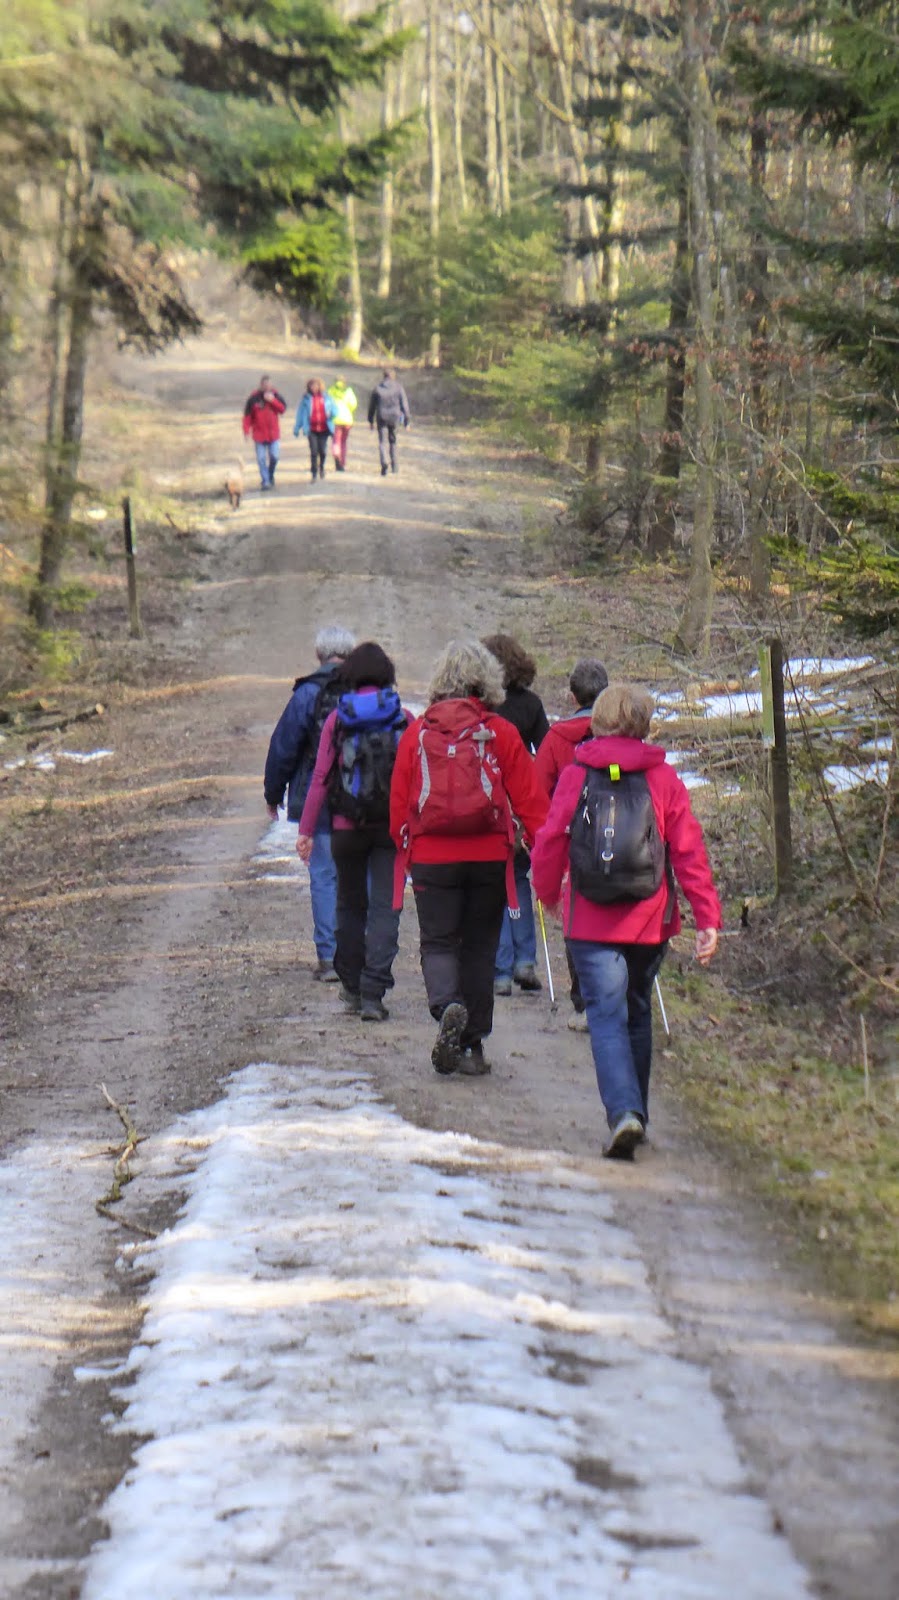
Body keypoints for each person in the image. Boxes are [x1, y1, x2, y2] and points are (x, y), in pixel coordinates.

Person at [531, 683, 721, 1160]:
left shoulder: (578, 774)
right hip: (648, 922)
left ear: (598, 720)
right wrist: (706, 918)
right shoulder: (664, 780)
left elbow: (552, 837)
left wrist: (548, 891)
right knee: (635, 1010)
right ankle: (636, 1111)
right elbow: (689, 851)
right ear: (643, 723)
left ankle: (624, 1113)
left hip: (590, 921)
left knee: (606, 1018)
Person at [390, 640, 548, 1077]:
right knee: (479, 948)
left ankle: (447, 1009)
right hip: (488, 856)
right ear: (487, 680)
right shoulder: (499, 731)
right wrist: (543, 849)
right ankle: (474, 1045)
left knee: (439, 941)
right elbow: (531, 801)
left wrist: (406, 852)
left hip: (432, 856)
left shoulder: (418, 732)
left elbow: (399, 801)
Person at [297, 643, 409, 1022]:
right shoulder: (402, 716)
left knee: (349, 905)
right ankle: (374, 993)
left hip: (346, 827)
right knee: (386, 907)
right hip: (391, 830)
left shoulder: (338, 719)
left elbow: (319, 778)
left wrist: (307, 829)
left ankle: (351, 987)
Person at [263, 625, 357, 981]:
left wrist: (274, 793)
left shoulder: (306, 694)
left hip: (318, 801)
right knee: (357, 876)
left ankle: (331, 958)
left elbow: (284, 746)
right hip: (361, 799)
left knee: (324, 876)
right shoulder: (364, 691)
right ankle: (358, 952)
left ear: (320, 655)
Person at [533, 656, 609, 1031]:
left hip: (572, 843)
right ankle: (614, 994)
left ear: (571, 694)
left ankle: (584, 1003)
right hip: (621, 838)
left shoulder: (558, 737)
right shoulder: (623, 735)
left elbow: (538, 789)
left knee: (576, 919)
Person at [481, 634, 550, 998]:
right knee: (520, 880)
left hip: (489, 802)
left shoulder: (483, 709)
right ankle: (526, 959)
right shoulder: (531, 706)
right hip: (522, 801)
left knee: (495, 884)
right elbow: (547, 750)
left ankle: (501, 970)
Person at [242, 375, 286, 491]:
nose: (267, 387)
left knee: (274, 457)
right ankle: (265, 481)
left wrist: (273, 401)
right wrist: (246, 431)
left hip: (273, 435)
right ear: (261, 385)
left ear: (271, 385)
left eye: (269, 385)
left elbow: (282, 409)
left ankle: (270, 475)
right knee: (261, 459)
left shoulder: (276, 396)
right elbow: (247, 417)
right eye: (264, 385)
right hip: (259, 435)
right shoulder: (254, 398)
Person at [367, 368, 411, 477]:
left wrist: (370, 420)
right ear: (393, 376)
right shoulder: (399, 388)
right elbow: (405, 406)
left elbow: (372, 406)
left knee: (382, 441)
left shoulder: (377, 389)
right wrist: (407, 421)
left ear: (384, 376)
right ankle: (395, 466)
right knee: (393, 441)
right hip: (394, 418)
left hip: (381, 417)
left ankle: (384, 462)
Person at [294, 378, 336, 481]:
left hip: (324, 428)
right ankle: (314, 471)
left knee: (322, 451)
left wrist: (331, 414)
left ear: (320, 386)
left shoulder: (326, 398)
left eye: (316, 386)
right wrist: (297, 427)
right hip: (311, 429)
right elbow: (300, 414)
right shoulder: (306, 399)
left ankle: (321, 467)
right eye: (311, 386)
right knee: (313, 451)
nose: (314, 388)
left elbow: (335, 409)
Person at [327, 375, 358, 472]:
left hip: (335, 420)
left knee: (336, 440)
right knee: (343, 442)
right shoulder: (348, 391)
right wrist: (349, 410)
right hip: (347, 420)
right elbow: (353, 404)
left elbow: (327, 405)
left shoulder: (330, 391)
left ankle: (336, 454)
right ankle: (342, 463)